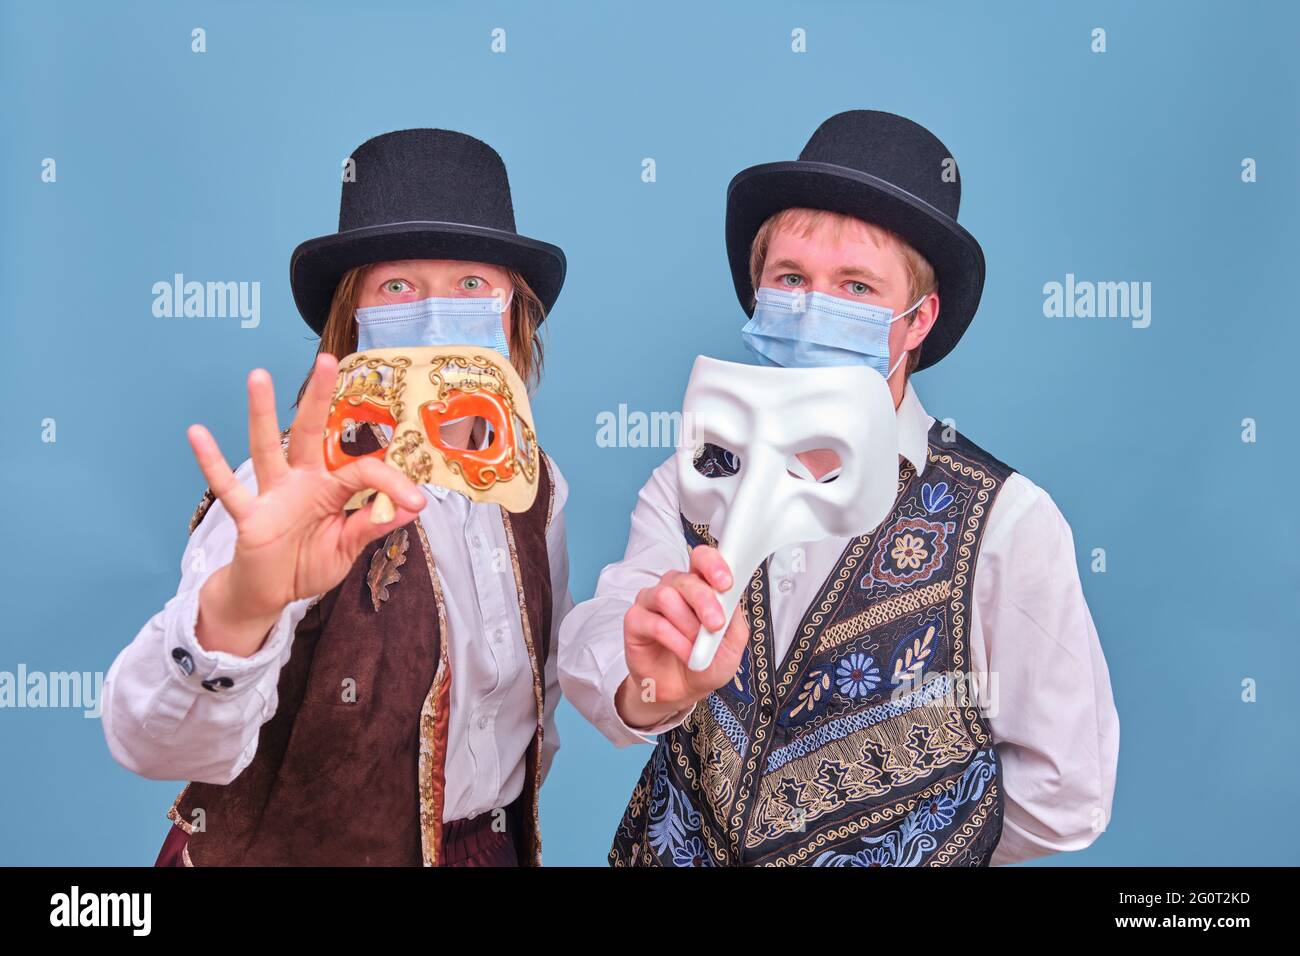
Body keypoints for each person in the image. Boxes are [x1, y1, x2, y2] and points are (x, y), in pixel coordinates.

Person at [559, 110, 1120, 866]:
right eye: (791, 279)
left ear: (917, 321)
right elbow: (599, 647)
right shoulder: (693, 477)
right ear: (758, 291)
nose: (813, 307)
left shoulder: (1006, 524)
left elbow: (1066, 792)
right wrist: (650, 689)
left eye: (856, 287)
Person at [103, 128, 574, 867]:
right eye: (398, 287)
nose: (435, 313)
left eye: (470, 285)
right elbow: (151, 743)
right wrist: (240, 610)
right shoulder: (288, 490)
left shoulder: (535, 487)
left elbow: (534, 712)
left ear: (513, 312)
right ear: (353, 315)